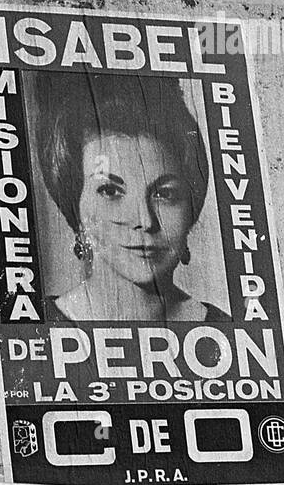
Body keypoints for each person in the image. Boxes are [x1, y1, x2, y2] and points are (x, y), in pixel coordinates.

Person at [31, 73, 229, 324]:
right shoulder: (38, 325)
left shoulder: (223, 329)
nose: (145, 221)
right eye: (111, 192)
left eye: (164, 194)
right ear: (75, 208)